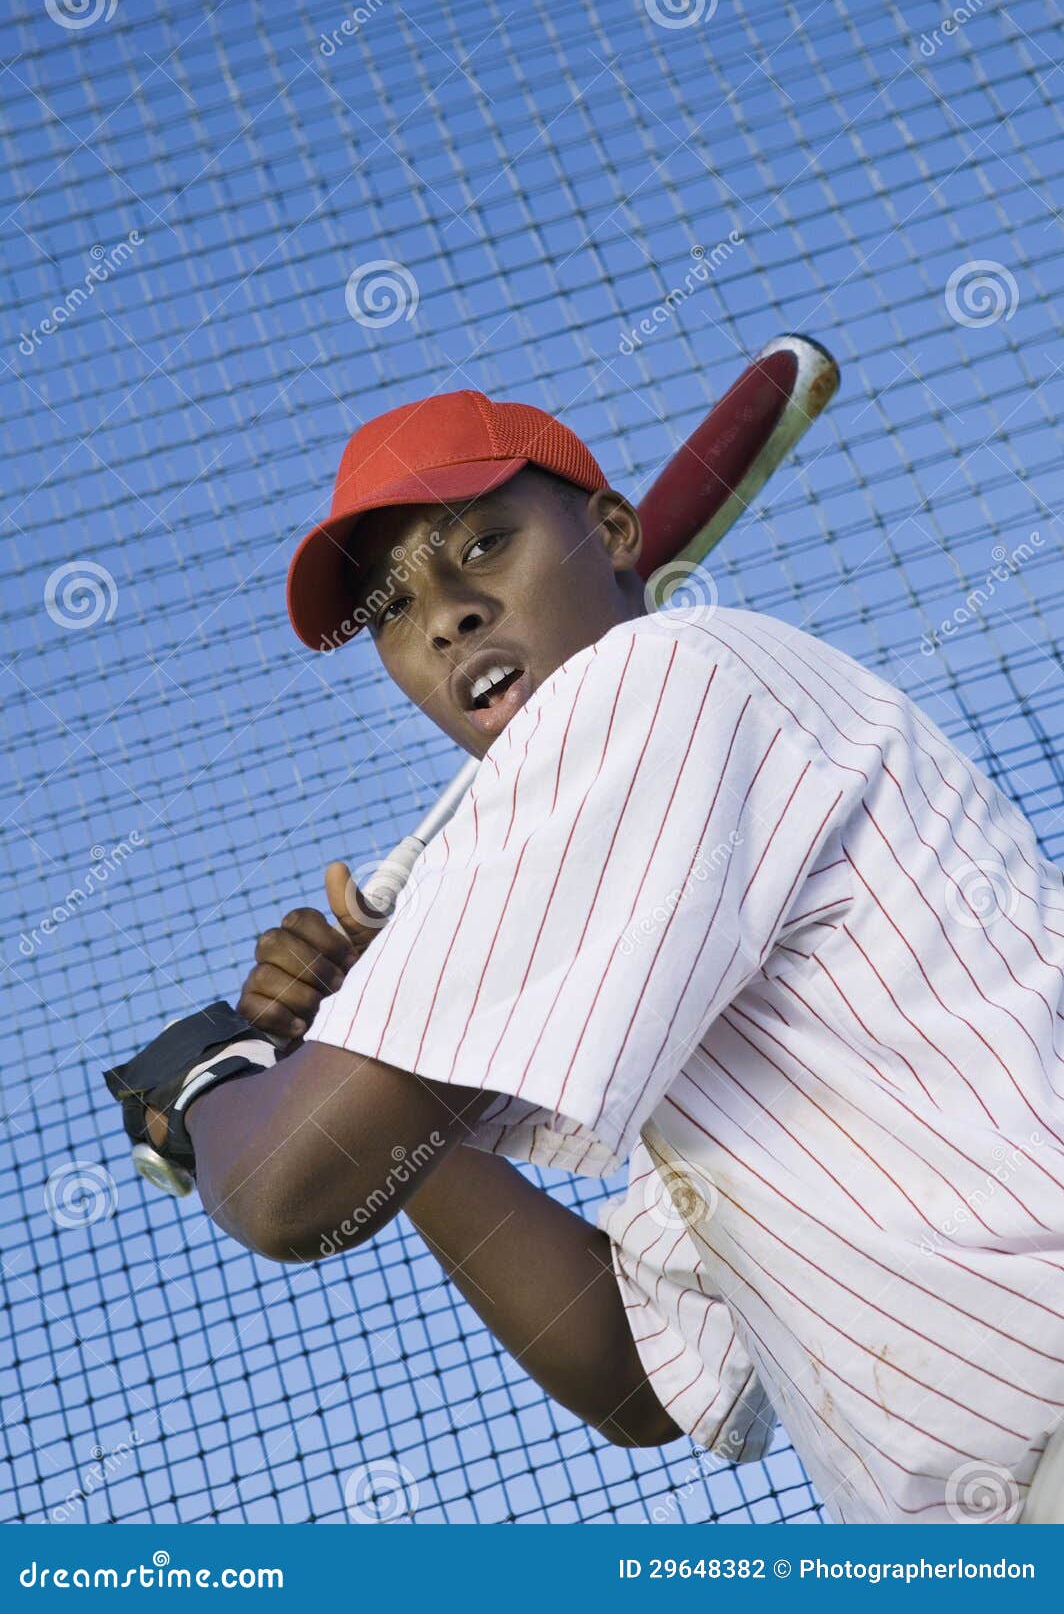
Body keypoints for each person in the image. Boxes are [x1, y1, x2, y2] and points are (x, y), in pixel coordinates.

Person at [107, 388, 1064, 1524]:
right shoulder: (661, 980)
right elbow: (628, 1373)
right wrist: (356, 1041)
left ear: (614, 534)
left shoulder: (664, 672)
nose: (449, 617)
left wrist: (213, 1084)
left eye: (484, 545)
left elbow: (282, 1191)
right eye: (396, 610)